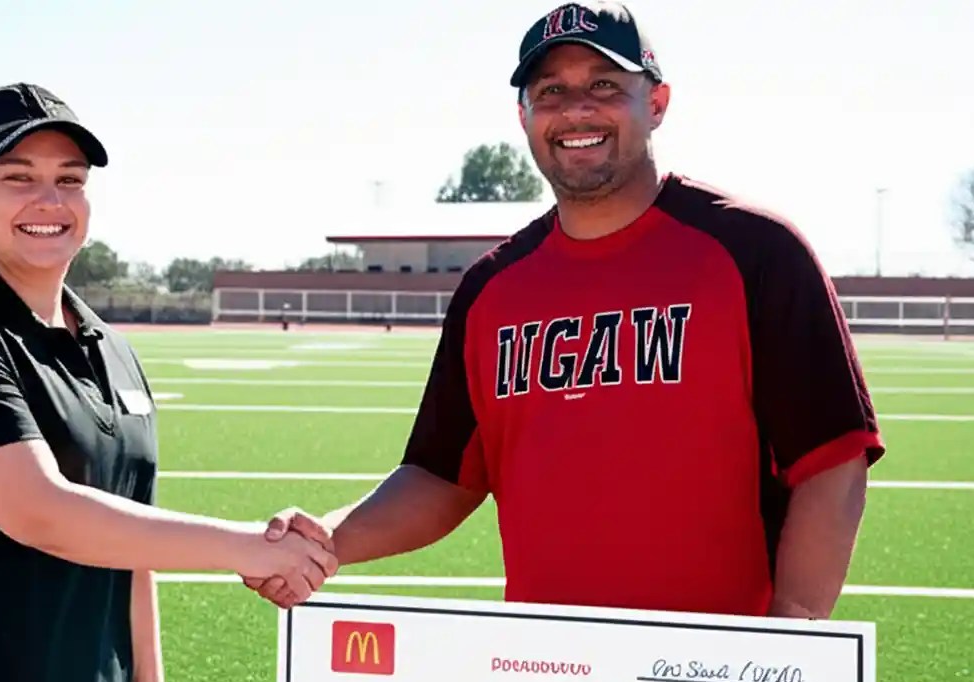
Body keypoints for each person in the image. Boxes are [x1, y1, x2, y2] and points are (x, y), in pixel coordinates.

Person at [246, 2, 885, 621]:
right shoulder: (491, 289)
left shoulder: (756, 252)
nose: (576, 108)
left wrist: (788, 643)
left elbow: (832, 461)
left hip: (710, 672)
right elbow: (444, 477)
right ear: (523, 115)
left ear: (657, 104)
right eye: (549, 91)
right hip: (548, 670)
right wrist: (324, 541)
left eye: (605, 84)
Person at [0, 83, 337, 682]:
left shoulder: (112, 349)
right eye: (19, 177)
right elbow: (40, 511)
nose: (50, 201)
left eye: (69, 180)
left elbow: (132, 537)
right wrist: (248, 546)